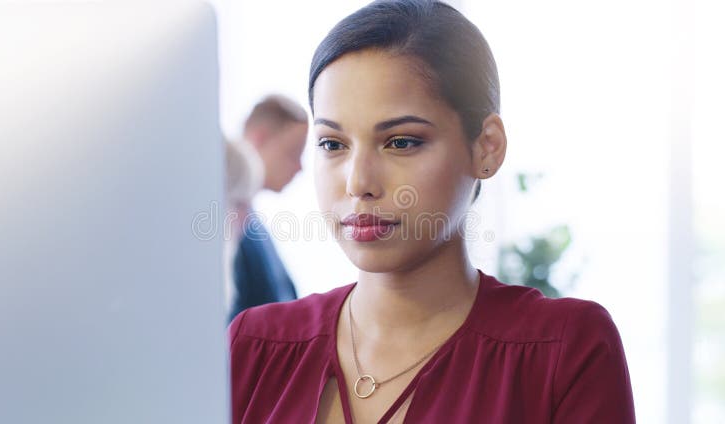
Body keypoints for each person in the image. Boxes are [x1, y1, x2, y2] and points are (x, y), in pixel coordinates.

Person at [228, 1, 636, 423]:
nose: (357, 183)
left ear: (486, 147)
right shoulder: (252, 346)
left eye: (401, 142)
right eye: (333, 144)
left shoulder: (564, 351)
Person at [228, 95, 309, 321]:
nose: (300, 167)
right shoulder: (224, 220)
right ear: (259, 139)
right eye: (293, 153)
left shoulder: (253, 225)